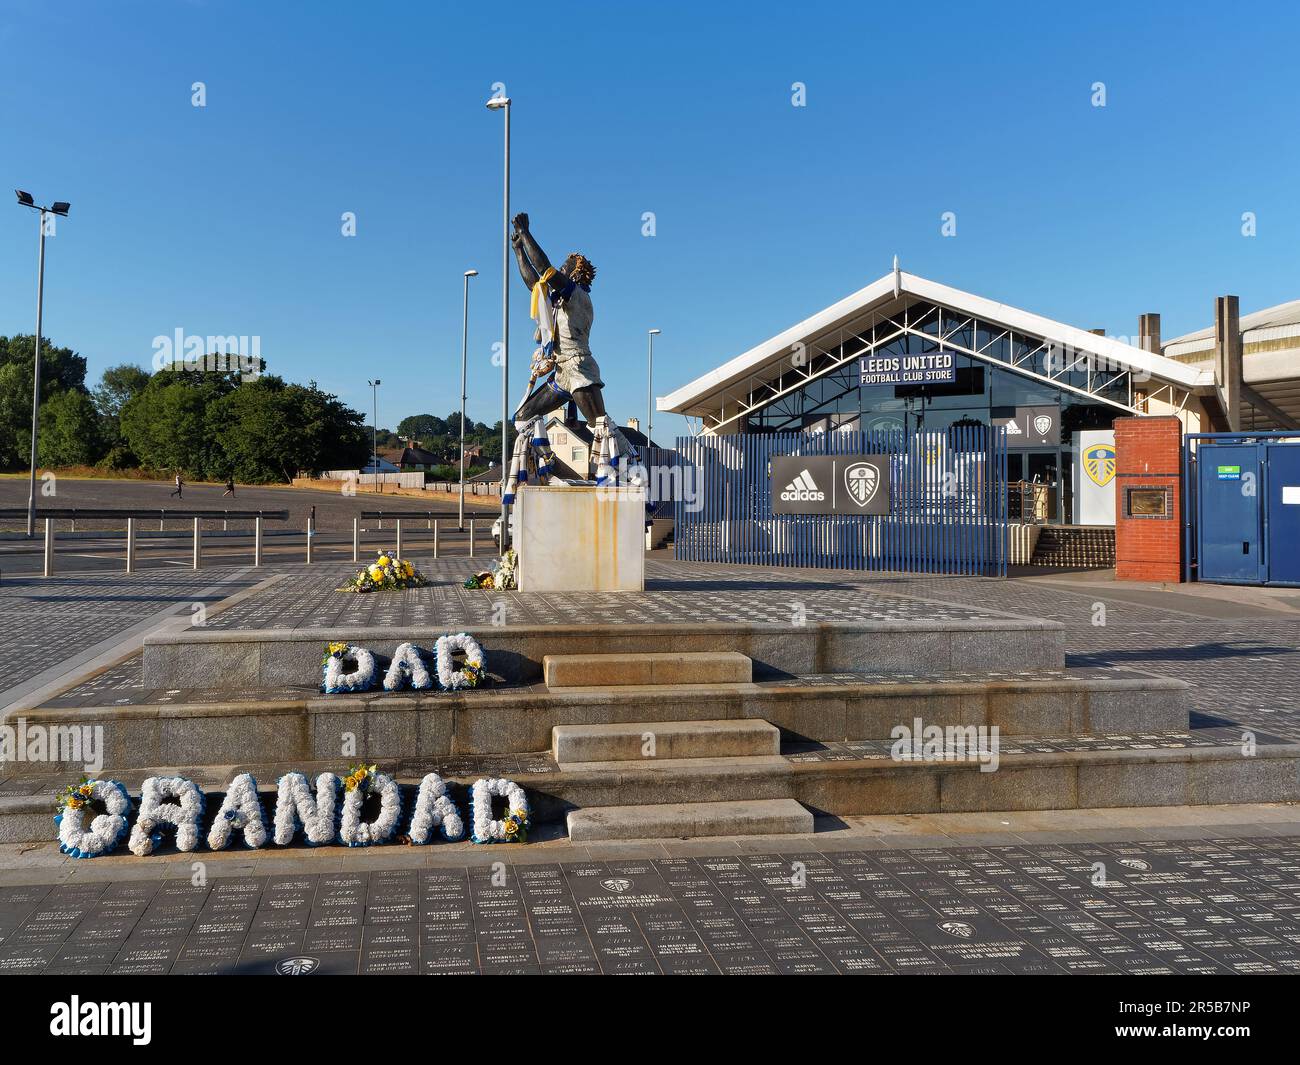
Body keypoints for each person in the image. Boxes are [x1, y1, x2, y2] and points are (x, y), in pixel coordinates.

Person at [509, 212, 606, 426]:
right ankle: (548, 460)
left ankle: (627, 460)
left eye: (564, 268)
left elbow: (545, 270)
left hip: (579, 367)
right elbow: (535, 284)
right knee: (523, 420)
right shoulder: (559, 301)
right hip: (562, 371)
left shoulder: (578, 296)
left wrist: (526, 233)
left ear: (575, 274)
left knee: (601, 428)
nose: (560, 270)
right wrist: (518, 251)